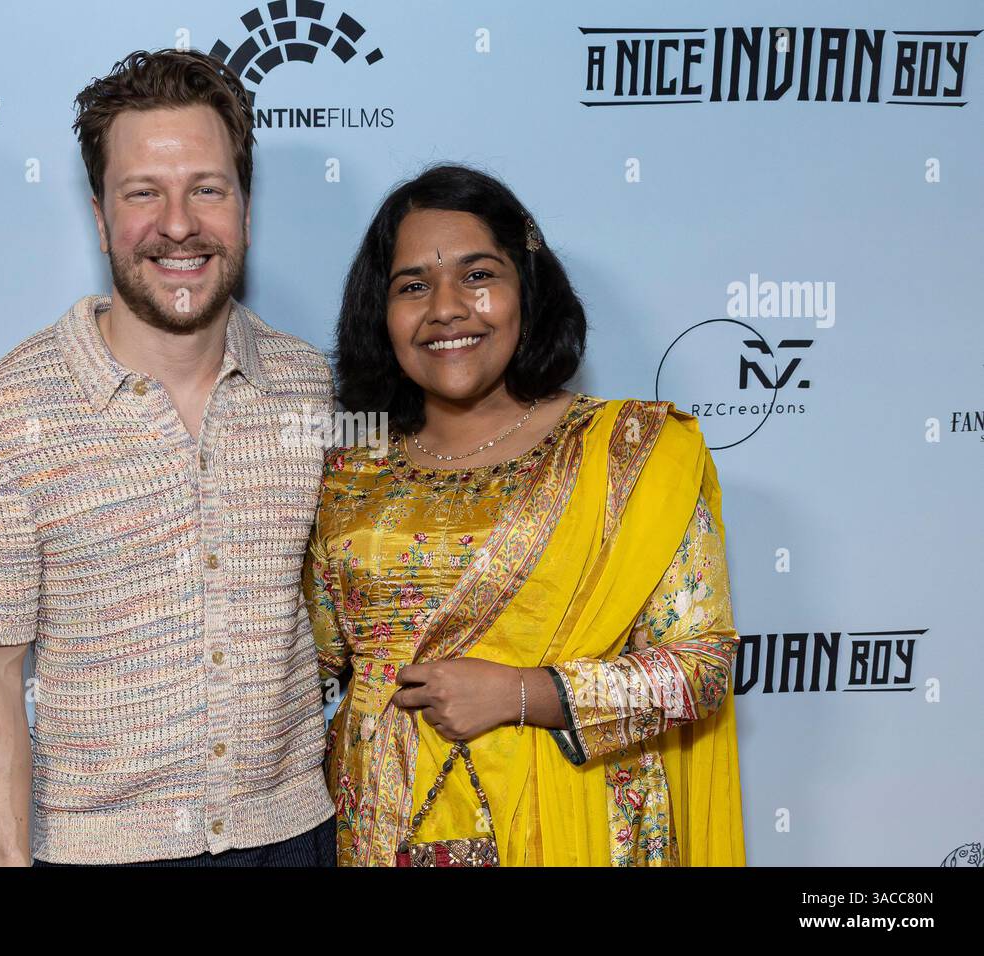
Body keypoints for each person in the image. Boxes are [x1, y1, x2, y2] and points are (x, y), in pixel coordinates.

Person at [0, 49, 335, 866]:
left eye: (206, 190)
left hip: (298, 838)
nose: (178, 224)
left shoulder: (313, 389)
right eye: (143, 192)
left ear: (245, 209)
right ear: (100, 214)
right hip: (98, 854)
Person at [304, 164, 745, 866]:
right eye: (412, 285)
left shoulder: (629, 455)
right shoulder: (346, 476)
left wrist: (522, 694)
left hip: (571, 825)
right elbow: (314, 666)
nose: (446, 307)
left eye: (478, 275)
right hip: (382, 830)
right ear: (379, 314)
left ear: (527, 289)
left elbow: (703, 670)